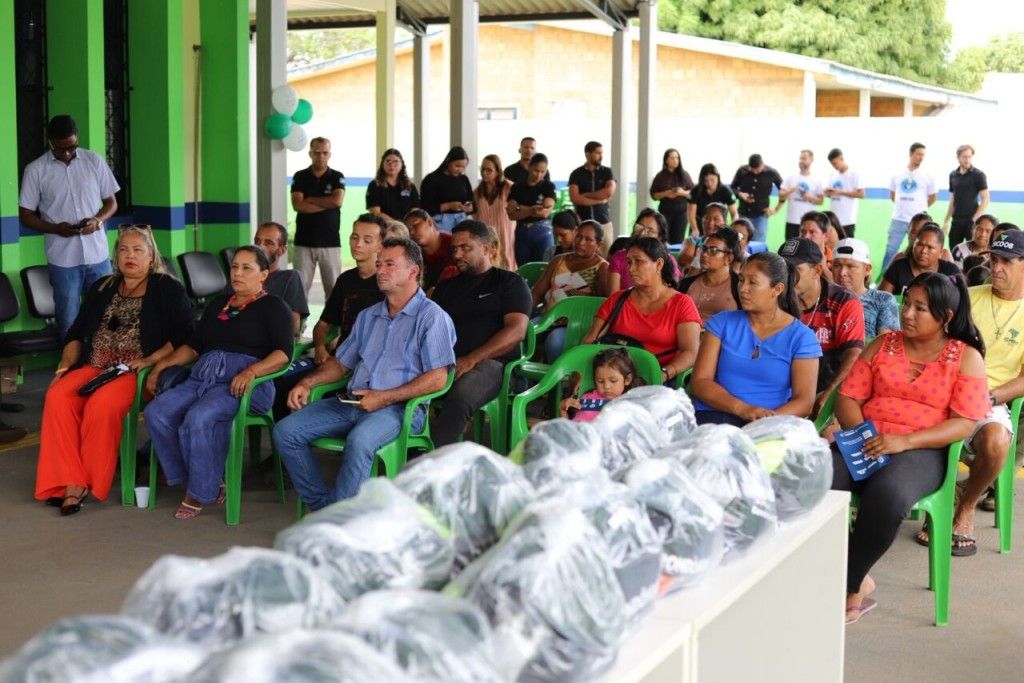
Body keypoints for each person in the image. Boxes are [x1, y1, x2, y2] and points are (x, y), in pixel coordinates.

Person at [833, 272, 987, 623]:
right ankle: (855, 573)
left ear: (945, 317)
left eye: (920, 308)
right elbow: (848, 398)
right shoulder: (882, 345)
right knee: (818, 482)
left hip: (923, 449)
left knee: (887, 496)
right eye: (907, 304)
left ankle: (851, 584)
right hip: (869, 438)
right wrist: (862, 436)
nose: (908, 314)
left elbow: (964, 423)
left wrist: (904, 441)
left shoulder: (965, 357)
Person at [272, 238, 456, 509]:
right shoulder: (368, 316)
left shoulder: (431, 317)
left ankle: (337, 519)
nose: (380, 270)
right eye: (379, 264)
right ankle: (327, 509)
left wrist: (384, 398)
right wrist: (307, 382)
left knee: (359, 442)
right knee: (285, 432)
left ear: (413, 271)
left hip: (400, 410)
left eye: (390, 265)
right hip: (352, 401)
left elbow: (438, 378)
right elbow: (341, 364)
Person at [34, 226, 193, 514]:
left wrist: (150, 360)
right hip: (94, 365)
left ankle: (83, 484)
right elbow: (75, 332)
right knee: (58, 397)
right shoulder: (103, 286)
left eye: (137, 250)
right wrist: (66, 366)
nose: (129, 256)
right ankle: (66, 477)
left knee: (101, 404)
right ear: (115, 255)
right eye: (123, 250)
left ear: (151, 255)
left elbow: (185, 336)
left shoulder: (167, 287)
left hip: (132, 371)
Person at [144, 246, 294, 519]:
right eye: (235, 266)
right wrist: (161, 367)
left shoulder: (274, 307)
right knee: (158, 411)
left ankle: (200, 491)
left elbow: (284, 353)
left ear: (264, 274)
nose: (237, 273)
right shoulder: (218, 304)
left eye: (246, 268)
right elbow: (194, 347)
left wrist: (252, 372)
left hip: (244, 384)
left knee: (200, 417)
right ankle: (202, 477)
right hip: (203, 376)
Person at [932, 228, 1024, 554]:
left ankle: (966, 504)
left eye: (1007, 262)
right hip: (947, 390)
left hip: (991, 398)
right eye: (994, 260)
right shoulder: (970, 296)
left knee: (997, 440)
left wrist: (992, 397)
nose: (996, 267)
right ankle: (934, 496)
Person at [272, 214, 387, 422]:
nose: (358, 244)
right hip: (334, 359)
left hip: (360, 367)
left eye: (367, 240)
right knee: (280, 380)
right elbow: (323, 325)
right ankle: (280, 448)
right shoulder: (346, 280)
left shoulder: (385, 283)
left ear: (380, 246)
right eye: (354, 237)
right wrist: (320, 348)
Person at [430, 220, 532, 446]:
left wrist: (471, 359)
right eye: (454, 248)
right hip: (447, 361)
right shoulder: (447, 287)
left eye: (465, 248)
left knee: (460, 397)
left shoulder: (510, 283)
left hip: (493, 364)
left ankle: (426, 463)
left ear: (486, 248)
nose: (457, 254)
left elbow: (516, 331)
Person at [690, 252, 821, 426]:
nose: (743, 288)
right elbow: (700, 382)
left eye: (753, 282)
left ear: (777, 289)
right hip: (718, 415)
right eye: (741, 280)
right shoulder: (722, 323)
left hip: (772, 422)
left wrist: (764, 421)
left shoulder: (802, 337)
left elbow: (804, 402)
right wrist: (742, 409)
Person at [18, 115, 119, 340]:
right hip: (63, 260)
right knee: (69, 320)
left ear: (77, 138)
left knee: (104, 316)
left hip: (98, 255)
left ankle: (103, 369)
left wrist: (98, 221)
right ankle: (71, 372)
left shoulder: (94, 161)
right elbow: (26, 215)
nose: (66, 153)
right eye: (60, 149)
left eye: (71, 147)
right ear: (50, 141)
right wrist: (55, 229)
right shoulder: (35, 170)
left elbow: (112, 203)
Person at [581, 237, 701, 384]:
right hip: (613, 380)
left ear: (658, 264)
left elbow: (690, 352)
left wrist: (664, 374)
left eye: (639, 262)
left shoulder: (682, 303)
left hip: (659, 378)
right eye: (629, 262)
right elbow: (590, 340)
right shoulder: (618, 300)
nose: (631, 269)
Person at [779, 238, 865, 409]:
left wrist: (828, 395)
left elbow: (854, 354)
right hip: (781, 388)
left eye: (794, 270)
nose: (786, 277)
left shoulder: (843, 301)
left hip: (825, 386)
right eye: (781, 269)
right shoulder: (776, 297)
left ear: (817, 270)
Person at [291, 136, 345, 300]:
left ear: (329, 154)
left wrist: (310, 198)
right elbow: (298, 205)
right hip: (303, 243)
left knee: (334, 291)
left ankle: (333, 326)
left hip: (330, 243)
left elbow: (337, 201)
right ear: (310, 153)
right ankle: (300, 325)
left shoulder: (337, 176)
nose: (320, 156)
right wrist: (326, 203)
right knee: (300, 291)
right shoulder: (300, 176)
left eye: (324, 153)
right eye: (317, 152)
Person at [831, 238, 900, 339]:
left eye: (850, 266)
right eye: (837, 266)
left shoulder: (882, 300)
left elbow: (887, 345)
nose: (842, 273)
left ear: (867, 269)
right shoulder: (824, 299)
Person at [249, 222, 308, 338]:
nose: (260, 247)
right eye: (257, 242)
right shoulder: (242, 276)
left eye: (268, 243)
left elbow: (293, 330)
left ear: (282, 250)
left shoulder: (289, 278)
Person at [532, 221, 608, 310]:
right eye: (578, 236)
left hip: (577, 321)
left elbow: (602, 304)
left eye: (588, 239)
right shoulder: (558, 260)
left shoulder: (602, 268)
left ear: (598, 244)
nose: (581, 242)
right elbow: (537, 293)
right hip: (547, 318)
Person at [884, 142, 936, 268]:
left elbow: (932, 197)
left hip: (920, 223)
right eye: (918, 154)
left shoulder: (928, 175)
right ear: (911, 154)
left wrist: (919, 209)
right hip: (899, 219)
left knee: (919, 251)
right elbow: (893, 195)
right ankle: (882, 281)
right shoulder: (897, 174)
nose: (921, 157)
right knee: (891, 251)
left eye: (923, 155)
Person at [677, 227, 743, 325]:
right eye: (703, 249)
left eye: (713, 250)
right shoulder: (686, 284)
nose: (704, 254)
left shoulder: (740, 286)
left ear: (729, 258)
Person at [608, 209, 681, 293]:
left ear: (660, 237)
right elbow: (613, 298)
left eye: (650, 231)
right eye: (640, 227)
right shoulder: (619, 258)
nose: (642, 233)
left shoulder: (668, 261)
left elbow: (671, 296)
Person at [560, 348, 640, 422]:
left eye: (613, 381)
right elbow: (570, 430)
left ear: (627, 379)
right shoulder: (588, 398)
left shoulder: (632, 404)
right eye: (600, 381)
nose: (606, 386)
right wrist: (562, 409)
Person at [880, 223, 960, 295]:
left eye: (930, 247)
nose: (923, 251)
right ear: (913, 245)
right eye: (920, 245)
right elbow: (881, 300)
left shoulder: (950, 272)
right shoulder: (898, 267)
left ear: (940, 253)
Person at [508, 153, 557, 265]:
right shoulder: (517, 187)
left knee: (542, 269)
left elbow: (544, 212)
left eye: (542, 172)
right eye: (536, 170)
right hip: (522, 233)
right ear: (529, 167)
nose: (539, 175)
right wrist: (531, 210)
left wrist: (520, 208)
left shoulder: (548, 186)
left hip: (543, 233)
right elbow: (511, 214)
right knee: (524, 270)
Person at [568, 141, 616, 254]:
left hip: (603, 222)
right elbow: (575, 198)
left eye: (601, 153)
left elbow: (608, 192)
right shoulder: (576, 173)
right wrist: (599, 200)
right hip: (582, 223)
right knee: (582, 255)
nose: (601, 156)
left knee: (606, 256)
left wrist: (585, 195)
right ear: (587, 154)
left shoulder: (607, 172)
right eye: (598, 153)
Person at [473, 154, 516, 269]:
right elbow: (475, 214)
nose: (484, 173)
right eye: (482, 169)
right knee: (487, 262)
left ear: (498, 171)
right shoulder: (477, 192)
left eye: (489, 170)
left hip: (505, 234)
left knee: (507, 262)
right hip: (486, 235)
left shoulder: (509, 188)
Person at [943, 144, 990, 250]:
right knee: (954, 251)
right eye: (964, 157)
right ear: (958, 157)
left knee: (974, 253)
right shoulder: (953, 175)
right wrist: (946, 220)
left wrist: (974, 219)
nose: (967, 159)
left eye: (970, 156)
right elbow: (953, 199)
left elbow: (986, 199)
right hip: (956, 222)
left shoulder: (979, 175)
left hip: (971, 222)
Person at [730, 154, 784, 243]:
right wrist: (740, 194)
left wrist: (775, 209)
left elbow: (783, 189)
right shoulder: (742, 171)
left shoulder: (772, 173)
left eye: (757, 169)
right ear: (749, 166)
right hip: (743, 213)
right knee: (739, 241)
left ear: (762, 164)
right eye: (752, 169)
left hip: (761, 215)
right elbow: (732, 188)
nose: (755, 172)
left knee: (758, 243)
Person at [419, 146, 474, 233]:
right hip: (440, 220)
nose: (460, 169)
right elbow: (425, 206)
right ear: (448, 161)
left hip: (461, 219)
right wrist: (448, 206)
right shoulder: (431, 179)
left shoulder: (463, 179)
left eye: (463, 167)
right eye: (457, 166)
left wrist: (469, 207)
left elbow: (471, 199)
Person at [649, 148, 695, 244]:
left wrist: (682, 192)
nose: (675, 160)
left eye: (677, 158)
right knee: (663, 237)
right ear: (666, 160)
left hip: (681, 212)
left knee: (678, 239)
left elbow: (693, 193)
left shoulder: (684, 174)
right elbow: (654, 195)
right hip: (665, 211)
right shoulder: (660, 176)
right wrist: (667, 193)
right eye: (672, 158)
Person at [405, 208, 457, 291]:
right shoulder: (413, 255)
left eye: (415, 225)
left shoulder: (454, 244)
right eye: (409, 230)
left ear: (429, 221)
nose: (412, 232)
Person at [780, 150, 825, 239]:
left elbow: (821, 201)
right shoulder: (791, 178)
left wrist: (810, 197)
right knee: (790, 250)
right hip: (792, 220)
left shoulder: (817, 180)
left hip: (809, 223)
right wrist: (791, 190)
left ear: (811, 159)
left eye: (804, 158)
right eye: (800, 158)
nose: (801, 161)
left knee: (807, 250)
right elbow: (781, 195)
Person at [366, 148, 419, 223]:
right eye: (388, 161)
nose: (391, 165)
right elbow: (376, 212)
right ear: (382, 164)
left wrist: (406, 225)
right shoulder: (375, 185)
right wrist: (396, 224)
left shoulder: (409, 186)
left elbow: (415, 210)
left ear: (402, 164)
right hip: (384, 227)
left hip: (406, 227)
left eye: (395, 161)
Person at [678, 202, 728, 276]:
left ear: (725, 222)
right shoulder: (693, 241)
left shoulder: (728, 244)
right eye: (707, 218)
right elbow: (684, 259)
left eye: (716, 219)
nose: (710, 223)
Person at [825, 148, 864, 237]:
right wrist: (827, 192)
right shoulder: (833, 175)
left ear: (841, 158)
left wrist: (840, 192)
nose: (834, 166)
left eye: (835, 163)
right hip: (833, 220)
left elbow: (861, 194)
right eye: (832, 164)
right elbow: (831, 194)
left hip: (847, 220)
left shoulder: (854, 174)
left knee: (846, 247)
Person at [688, 163, 737, 233]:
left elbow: (734, 213)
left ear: (718, 177)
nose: (709, 183)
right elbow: (691, 214)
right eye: (706, 181)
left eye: (712, 180)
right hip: (700, 226)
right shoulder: (696, 191)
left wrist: (733, 226)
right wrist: (694, 229)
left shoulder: (726, 191)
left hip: (719, 227)